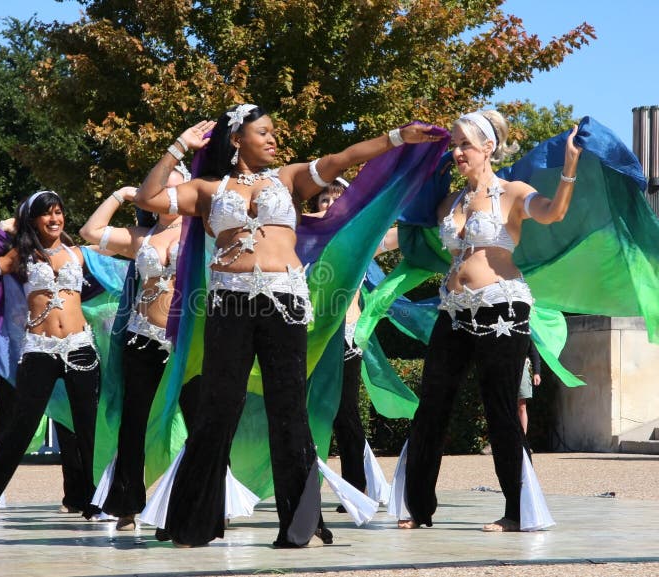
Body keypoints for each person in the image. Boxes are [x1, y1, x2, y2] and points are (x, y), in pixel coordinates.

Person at [132, 104, 438, 547]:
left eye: (274, 132)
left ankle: (300, 524)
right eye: (264, 132)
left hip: (285, 302)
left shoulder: (290, 178)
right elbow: (147, 198)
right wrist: (179, 147)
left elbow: (345, 157)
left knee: (288, 410)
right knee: (219, 409)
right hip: (229, 304)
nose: (274, 138)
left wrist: (397, 137)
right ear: (238, 139)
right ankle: (194, 522)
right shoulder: (207, 189)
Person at [394, 109, 581, 532]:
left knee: (499, 406)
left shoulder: (511, 192)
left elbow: (552, 212)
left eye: (465, 144)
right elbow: (402, 233)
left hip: (503, 307)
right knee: (432, 404)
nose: (458, 152)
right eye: (454, 145)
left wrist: (569, 166)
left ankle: (518, 510)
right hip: (454, 309)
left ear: (488, 148)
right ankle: (418, 506)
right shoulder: (449, 202)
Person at [0, 190, 101, 525]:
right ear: (33, 220)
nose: (55, 219)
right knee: (19, 429)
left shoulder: (79, 254)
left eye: (59, 213)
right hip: (40, 350)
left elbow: (112, 247)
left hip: (80, 348)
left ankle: (95, 504)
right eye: (47, 214)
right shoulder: (21, 256)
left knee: (88, 429)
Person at [78, 165, 187, 531]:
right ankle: (127, 503)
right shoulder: (142, 237)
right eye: (159, 191)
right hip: (142, 337)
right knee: (134, 422)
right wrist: (123, 193)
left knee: (196, 418)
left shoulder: (199, 231)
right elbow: (90, 231)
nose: (166, 198)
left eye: (173, 191)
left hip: (184, 340)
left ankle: (200, 499)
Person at [309, 179, 399, 508]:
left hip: (345, 334)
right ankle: (304, 487)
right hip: (310, 337)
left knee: (344, 412)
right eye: (322, 200)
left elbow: (397, 236)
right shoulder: (305, 239)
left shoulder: (361, 242)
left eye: (336, 201)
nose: (329, 206)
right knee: (305, 411)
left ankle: (355, 487)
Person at [518, 340, 542, 434]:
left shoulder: (523, 328)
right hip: (503, 368)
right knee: (504, 407)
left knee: (521, 406)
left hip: (520, 367)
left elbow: (533, 352)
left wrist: (537, 372)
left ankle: (522, 441)